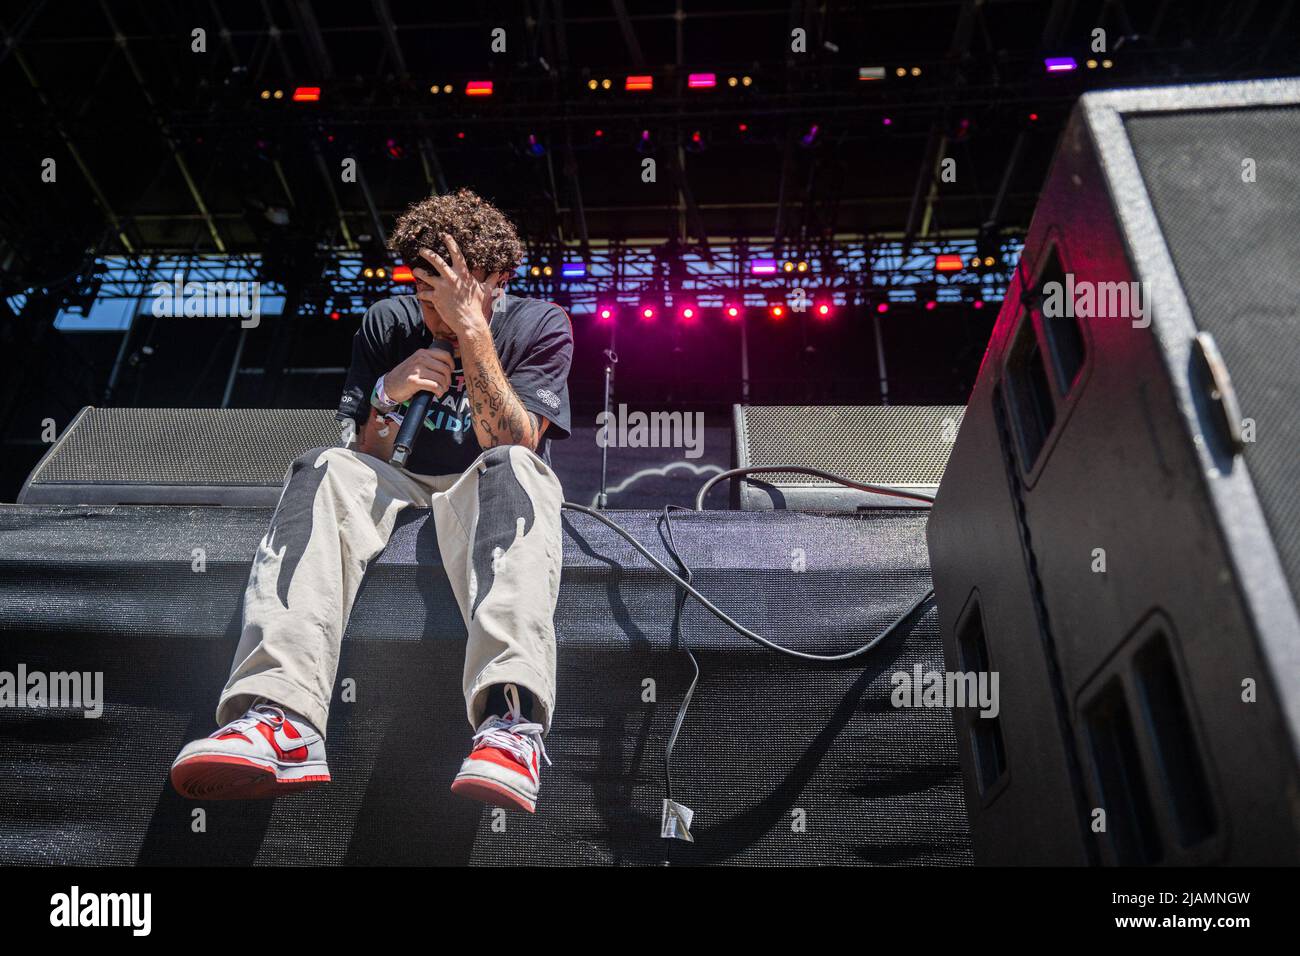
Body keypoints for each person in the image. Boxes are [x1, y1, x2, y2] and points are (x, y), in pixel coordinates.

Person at [169, 188, 572, 813]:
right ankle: (281, 716)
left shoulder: (540, 325)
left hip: (484, 482)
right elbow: (369, 455)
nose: (428, 304)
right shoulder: (388, 322)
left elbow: (516, 439)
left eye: (445, 288)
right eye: (421, 286)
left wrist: (470, 333)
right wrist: (388, 393)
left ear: (492, 280)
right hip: (402, 483)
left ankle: (508, 724)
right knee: (325, 466)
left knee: (517, 465)